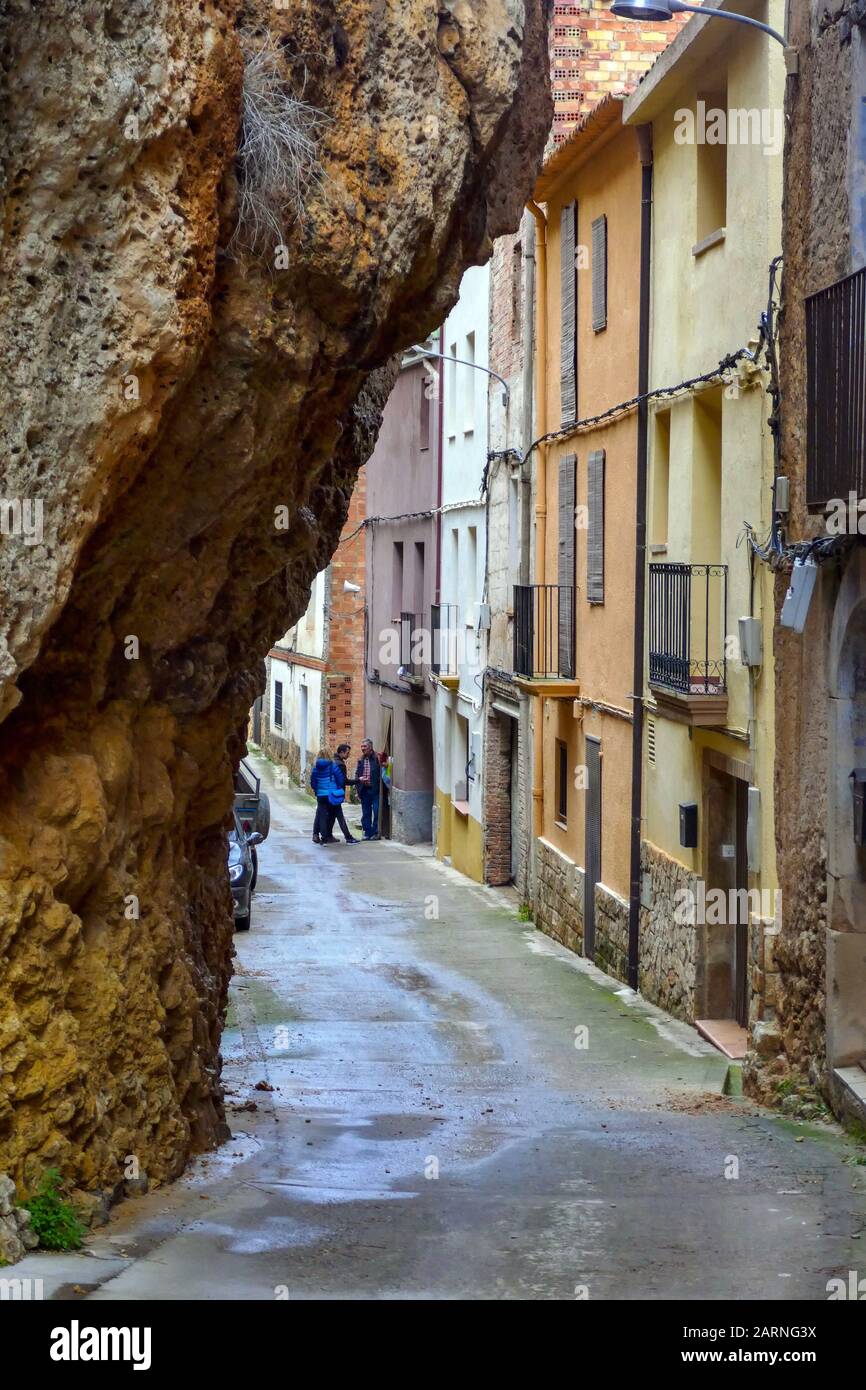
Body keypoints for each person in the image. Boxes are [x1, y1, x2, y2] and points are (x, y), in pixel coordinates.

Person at [329, 744, 358, 843]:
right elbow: (344, 781)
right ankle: (348, 837)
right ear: (341, 752)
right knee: (339, 816)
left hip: (330, 792)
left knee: (332, 815)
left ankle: (327, 836)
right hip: (336, 793)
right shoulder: (340, 764)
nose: (348, 755)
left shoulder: (332, 761)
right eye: (347, 753)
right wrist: (357, 780)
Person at [355, 737, 381, 840]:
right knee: (366, 812)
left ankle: (375, 832)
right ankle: (367, 832)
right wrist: (357, 789)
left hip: (375, 790)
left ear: (370, 747)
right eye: (361, 746)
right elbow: (357, 773)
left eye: (364, 746)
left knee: (376, 811)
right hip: (364, 790)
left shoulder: (377, 758)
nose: (362, 748)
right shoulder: (361, 759)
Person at [310, 749, 337, 844]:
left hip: (320, 794)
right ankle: (326, 836)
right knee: (330, 815)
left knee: (321, 815)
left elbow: (313, 781)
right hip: (330, 794)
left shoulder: (316, 767)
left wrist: (316, 789)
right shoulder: (333, 766)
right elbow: (338, 778)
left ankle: (319, 836)